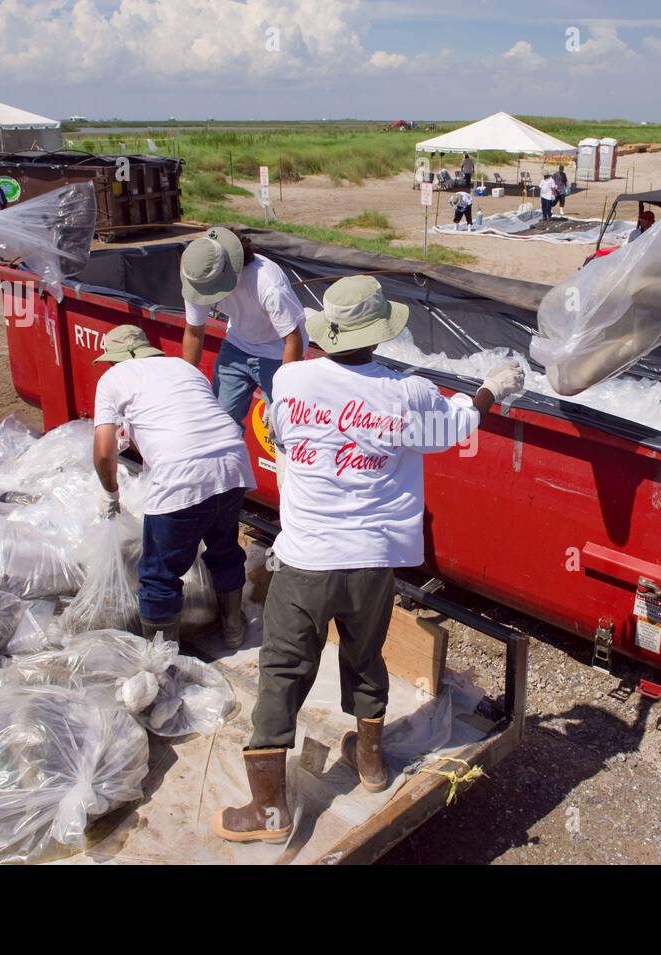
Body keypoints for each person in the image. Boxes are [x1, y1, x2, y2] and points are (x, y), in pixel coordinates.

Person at [213, 275, 524, 844]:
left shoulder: (291, 379)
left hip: (306, 561)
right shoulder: (408, 395)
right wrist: (489, 390)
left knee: (283, 671)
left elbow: (277, 431)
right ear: (380, 336)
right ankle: (373, 764)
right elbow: (458, 428)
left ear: (327, 333)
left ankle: (268, 809)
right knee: (364, 654)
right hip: (373, 562)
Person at [91, 325, 256, 647]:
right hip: (233, 465)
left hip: (183, 475)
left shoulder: (112, 379)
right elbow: (188, 421)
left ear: (114, 360)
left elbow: (102, 452)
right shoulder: (182, 367)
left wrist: (111, 494)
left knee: (158, 574)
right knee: (224, 551)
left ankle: (162, 657)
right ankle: (233, 629)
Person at [180, 226, 307, 428]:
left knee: (283, 428)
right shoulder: (198, 277)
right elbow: (194, 333)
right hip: (237, 345)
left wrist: (284, 393)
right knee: (220, 425)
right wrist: (186, 385)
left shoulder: (267, 283)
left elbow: (293, 339)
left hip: (278, 352)